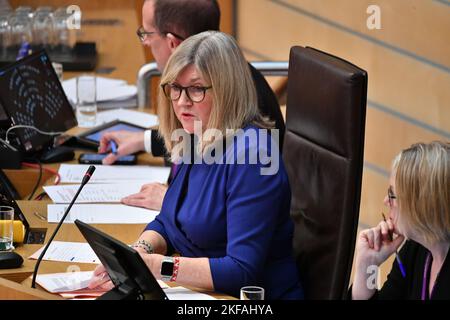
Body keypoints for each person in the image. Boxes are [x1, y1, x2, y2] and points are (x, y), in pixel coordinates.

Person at [89, 31, 303, 300]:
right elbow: (168, 222)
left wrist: (154, 266)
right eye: (175, 88)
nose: (181, 102)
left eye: (197, 89)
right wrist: (139, 251)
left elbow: (241, 271)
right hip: (201, 293)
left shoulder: (254, 158)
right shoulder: (194, 136)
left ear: (227, 90)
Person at [98, 0, 285, 211]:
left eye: (148, 34)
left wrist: (173, 200)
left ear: (172, 43)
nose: (146, 43)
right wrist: (145, 140)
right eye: (175, 89)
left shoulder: (241, 104)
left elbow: (235, 198)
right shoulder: (225, 81)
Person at [352, 141, 450, 300]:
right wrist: (368, 268)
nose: (385, 200)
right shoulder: (416, 248)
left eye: (392, 195)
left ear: (421, 203)